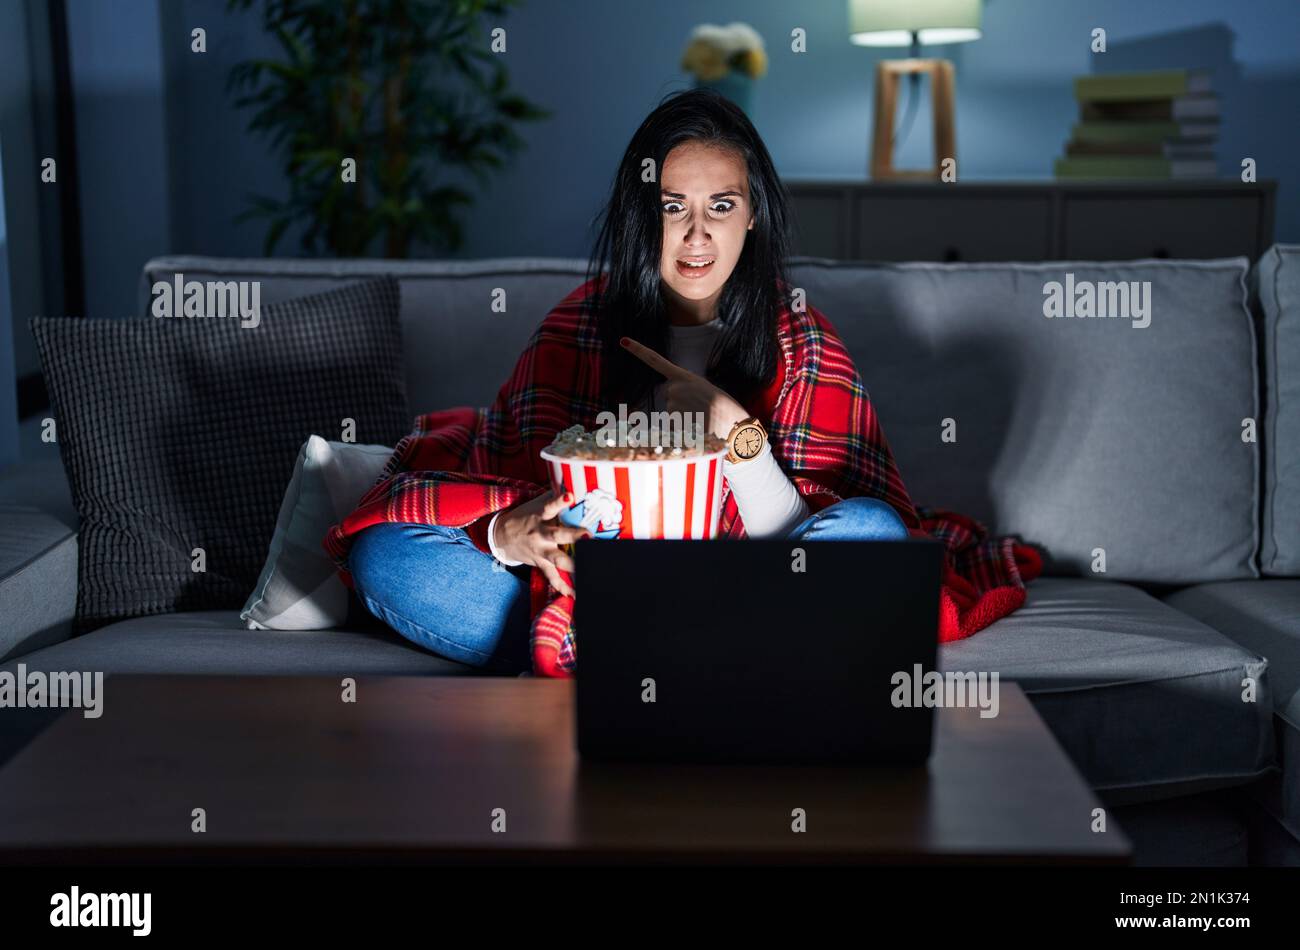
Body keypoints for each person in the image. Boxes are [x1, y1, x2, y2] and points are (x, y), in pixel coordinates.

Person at [326, 89, 1038, 677]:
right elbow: (513, 480)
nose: (697, 235)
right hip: (586, 592)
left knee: (873, 537)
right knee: (387, 552)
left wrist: (738, 434)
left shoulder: (802, 338)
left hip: (746, 584)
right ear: (644, 216)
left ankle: (655, 660)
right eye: (672, 208)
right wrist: (508, 539)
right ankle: (700, 662)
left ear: (753, 215)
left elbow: (830, 523)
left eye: (721, 207)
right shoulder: (576, 328)